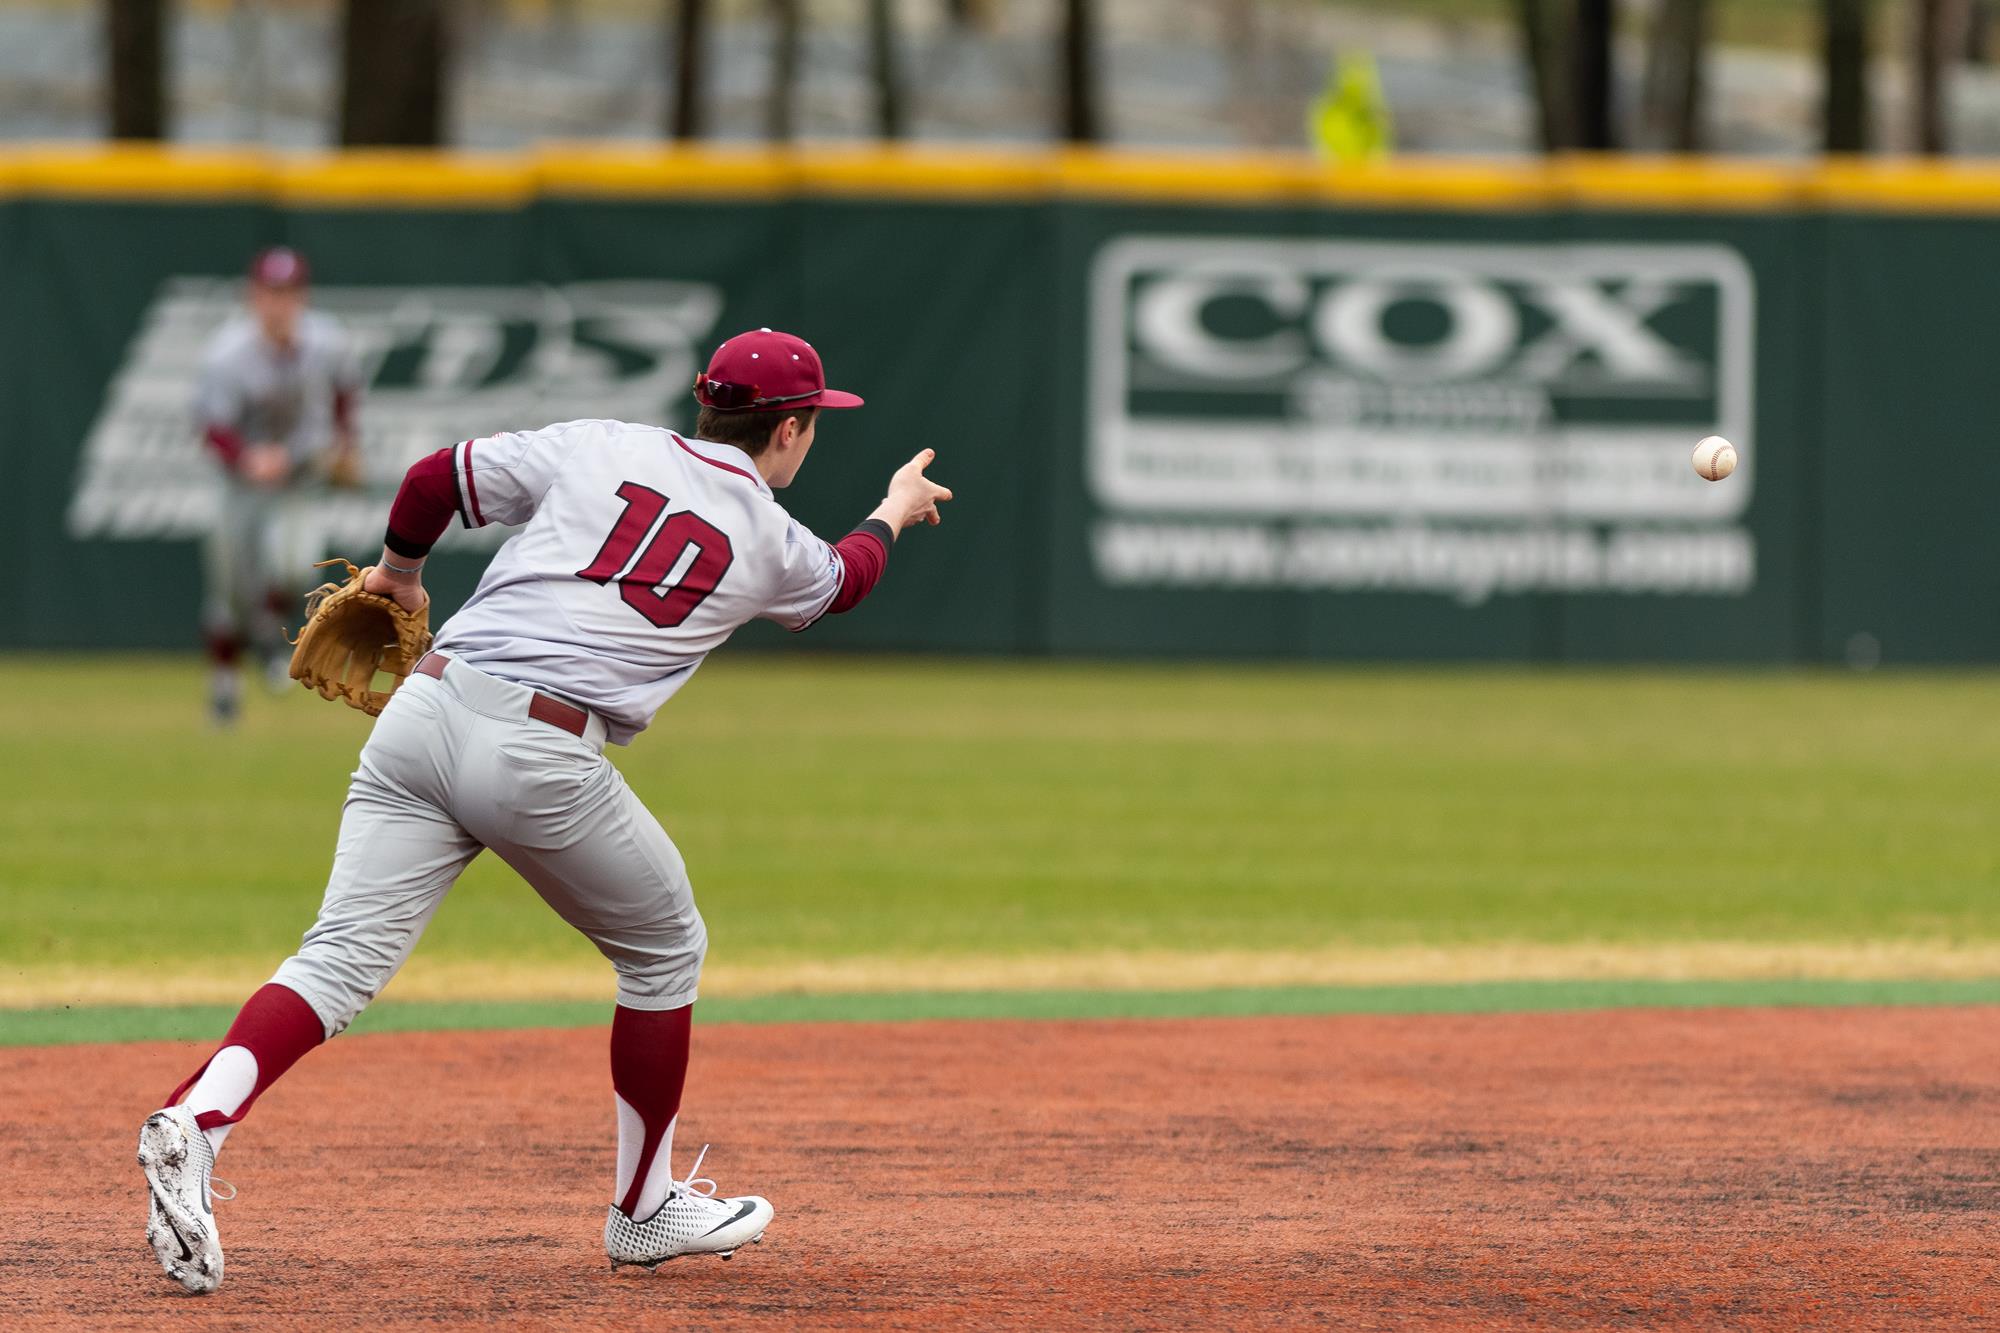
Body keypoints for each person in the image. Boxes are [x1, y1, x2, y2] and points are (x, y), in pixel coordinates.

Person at [136, 327, 953, 1294]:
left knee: (337, 957)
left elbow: (436, 477)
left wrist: (399, 573)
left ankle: (196, 1122)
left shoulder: (604, 442)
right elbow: (847, 580)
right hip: (541, 752)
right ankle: (643, 1210)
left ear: (705, 404)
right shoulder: (768, 537)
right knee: (665, 949)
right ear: (790, 430)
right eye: (812, 422)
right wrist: (893, 508)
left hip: (425, 709)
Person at [194, 246, 363, 723]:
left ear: (302, 297)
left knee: (294, 567)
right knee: (230, 587)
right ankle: (225, 685)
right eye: (271, 292)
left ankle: (268, 624)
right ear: (253, 296)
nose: (279, 303)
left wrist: (346, 443)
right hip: (240, 484)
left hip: (299, 476)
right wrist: (246, 458)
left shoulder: (327, 340)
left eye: (288, 292)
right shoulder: (227, 352)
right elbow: (211, 427)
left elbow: (345, 392)